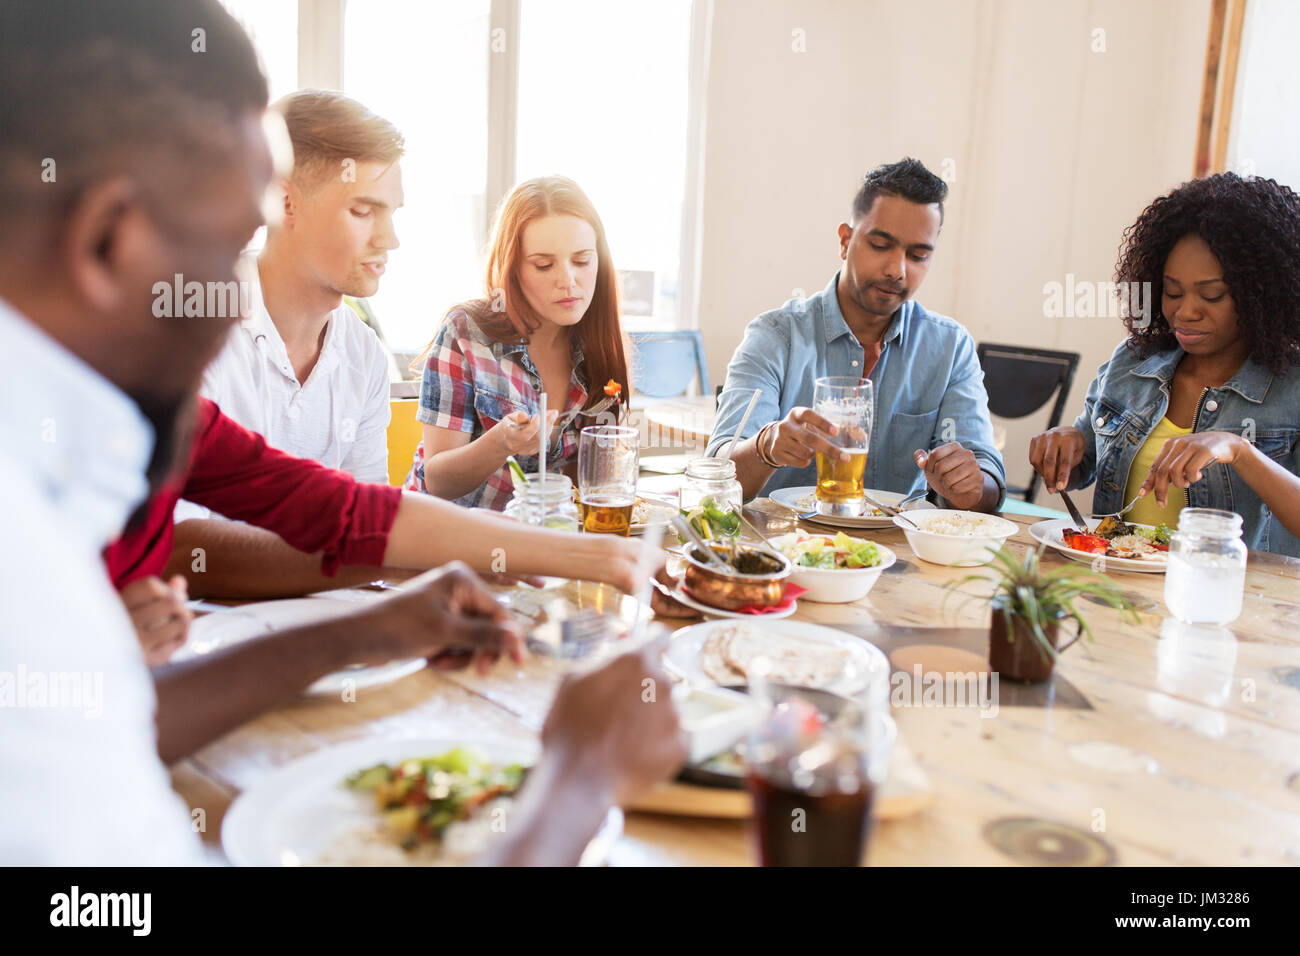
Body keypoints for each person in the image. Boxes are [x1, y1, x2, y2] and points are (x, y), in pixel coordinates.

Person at [0, 0, 684, 865]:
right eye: (231, 236)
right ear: (109, 241)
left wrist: (373, 628)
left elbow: (340, 512)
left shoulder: (112, 425)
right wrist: (581, 777)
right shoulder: (23, 550)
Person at [709, 158, 1005, 512]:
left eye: (918, 255)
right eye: (881, 245)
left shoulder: (949, 347)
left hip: (902, 558)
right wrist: (765, 446)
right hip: (784, 550)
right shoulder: (775, 336)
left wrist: (970, 487)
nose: (897, 270)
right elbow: (716, 478)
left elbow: (986, 477)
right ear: (845, 241)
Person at [1029, 172, 1300, 555]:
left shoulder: (1292, 387)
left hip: (1235, 603)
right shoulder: (1133, 360)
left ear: (1262, 295)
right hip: (1119, 593)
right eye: (1172, 291)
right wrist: (1065, 448)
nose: (1185, 312)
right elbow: (1084, 460)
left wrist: (1239, 450)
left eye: (1212, 295)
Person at [199, 89, 403, 483]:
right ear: (284, 203)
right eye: (363, 211)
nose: (389, 239)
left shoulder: (364, 356)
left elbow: (366, 518)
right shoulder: (196, 333)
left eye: (392, 214)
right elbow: (181, 537)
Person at [405, 176, 629, 509]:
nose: (568, 281)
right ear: (513, 268)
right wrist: (501, 442)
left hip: (543, 541)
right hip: (452, 540)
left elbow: (591, 489)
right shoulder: (466, 333)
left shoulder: (598, 345)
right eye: (544, 265)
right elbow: (438, 482)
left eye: (582, 261)